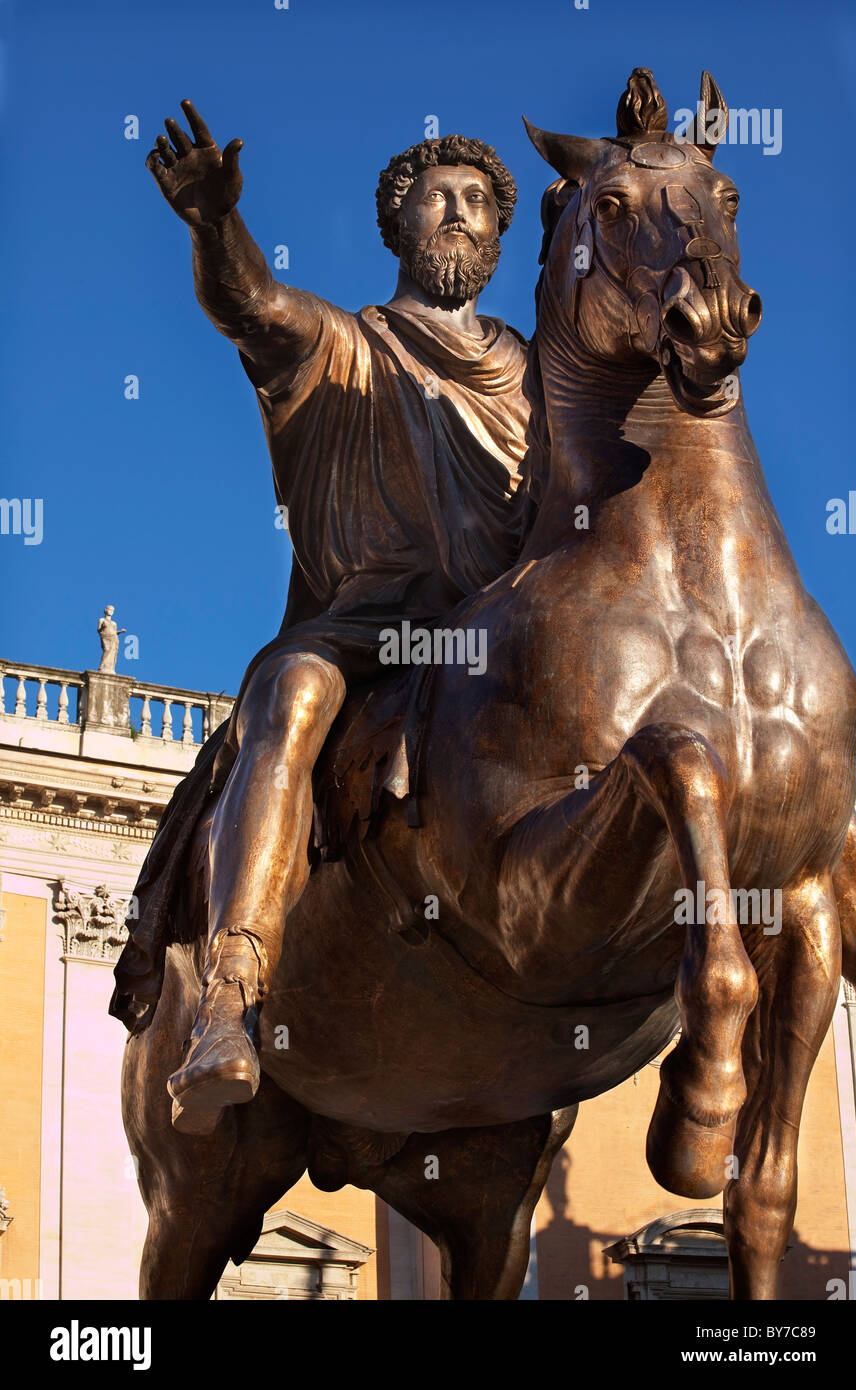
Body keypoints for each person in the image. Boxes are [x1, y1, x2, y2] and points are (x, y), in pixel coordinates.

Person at [130, 101, 532, 1128]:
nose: (459, 213)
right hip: (372, 626)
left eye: (479, 202)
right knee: (293, 686)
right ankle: (230, 993)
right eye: (437, 197)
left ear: (499, 236)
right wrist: (212, 223)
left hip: (509, 638)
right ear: (397, 226)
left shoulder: (540, 377)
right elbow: (251, 305)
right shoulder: (341, 344)